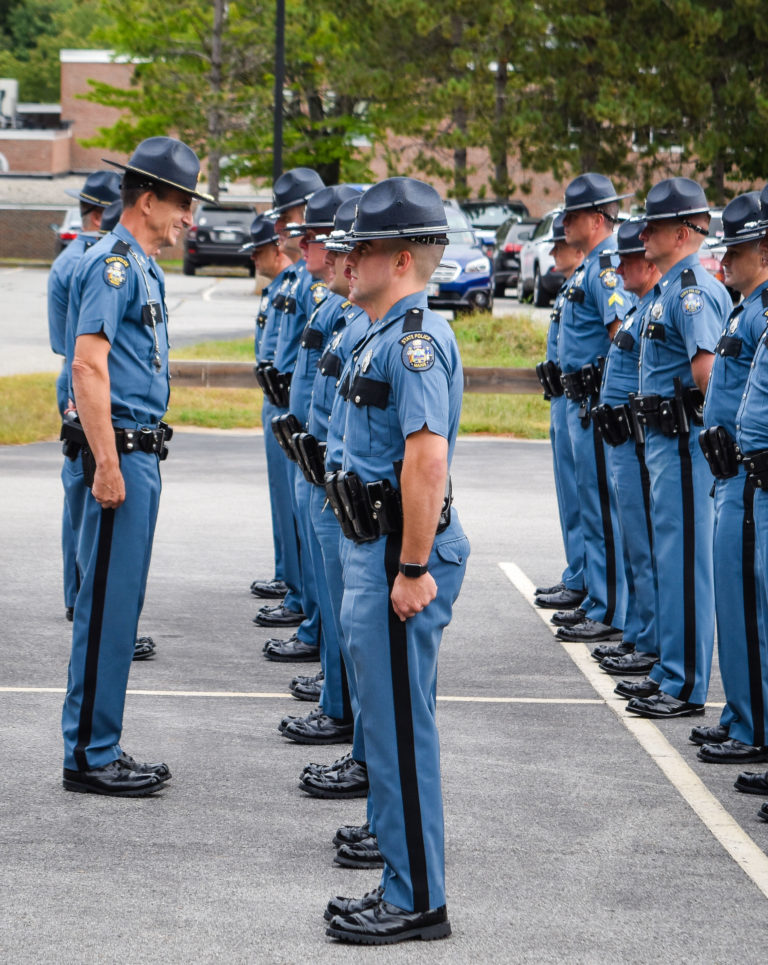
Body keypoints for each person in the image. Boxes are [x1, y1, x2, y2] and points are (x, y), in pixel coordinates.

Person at [323, 177, 469, 945]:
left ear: (402, 258)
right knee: (383, 727)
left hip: (395, 558)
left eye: (365, 249)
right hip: (371, 550)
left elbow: (426, 461)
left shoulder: (414, 341)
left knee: (403, 734)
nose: (349, 261)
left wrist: (412, 568)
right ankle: (398, 867)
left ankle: (418, 899)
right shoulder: (377, 332)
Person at [60, 136, 210, 796]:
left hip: (141, 450)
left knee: (121, 606)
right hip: (120, 452)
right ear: (147, 200)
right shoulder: (114, 267)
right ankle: (91, 752)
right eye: (182, 203)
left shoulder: (142, 268)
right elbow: (87, 364)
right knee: (106, 608)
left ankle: (100, 741)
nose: (189, 219)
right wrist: (107, 462)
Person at [623, 177, 731, 719]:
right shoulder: (670, 287)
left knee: (686, 560)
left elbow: (708, 373)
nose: (644, 233)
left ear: (687, 230)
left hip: (683, 442)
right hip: (663, 443)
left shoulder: (692, 290)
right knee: (671, 555)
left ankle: (685, 683)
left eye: (656, 224)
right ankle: (670, 667)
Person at [691, 191, 768, 764]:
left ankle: (754, 724)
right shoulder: (748, 309)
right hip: (733, 472)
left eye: (736, 251)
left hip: (749, 477)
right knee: (735, 602)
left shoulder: (762, 311)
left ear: (763, 250)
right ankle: (742, 711)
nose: (725, 263)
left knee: (748, 604)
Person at [554, 173, 630, 643]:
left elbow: (619, 334)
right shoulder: (588, 267)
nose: (564, 222)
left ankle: (608, 606)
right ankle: (596, 595)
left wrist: (607, 396)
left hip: (594, 403)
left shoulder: (606, 268)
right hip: (577, 402)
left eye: (573, 215)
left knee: (603, 508)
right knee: (589, 504)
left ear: (598, 218)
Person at [253, 167, 325, 643]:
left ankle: (305, 602)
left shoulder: (315, 283)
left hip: (302, 413)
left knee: (310, 517)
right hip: (284, 403)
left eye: (290, 217)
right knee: (289, 507)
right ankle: (298, 591)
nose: (281, 229)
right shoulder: (297, 278)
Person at [49, 171, 120, 623]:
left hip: (72, 376)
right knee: (87, 498)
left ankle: (79, 596)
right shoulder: (92, 260)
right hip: (84, 381)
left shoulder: (75, 254)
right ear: (103, 214)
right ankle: (87, 602)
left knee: (78, 493)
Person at [591, 220, 660, 681]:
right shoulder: (641, 307)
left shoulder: (657, 305)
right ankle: (640, 631)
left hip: (639, 437)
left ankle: (653, 639)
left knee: (650, 545)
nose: (620, 270)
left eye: (629, 260)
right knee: (637, 543)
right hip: (624, 437)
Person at [244, 214, 304, 619]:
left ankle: (300, 592)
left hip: (291, 404)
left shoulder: (305, 285)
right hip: (276, 398)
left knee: (295, 503)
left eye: (257, 249)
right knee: (282, 499)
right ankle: (290, 577)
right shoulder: (284, 286)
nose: (254, 258)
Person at [534, 211, 586, 612]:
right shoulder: (570, 286)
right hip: (563, 399)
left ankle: (589, 581)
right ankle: (579, 573)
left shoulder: (597, 279)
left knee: (587, 498)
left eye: (558, 244)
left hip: (582, 402)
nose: (553, 251)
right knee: (570, 495)